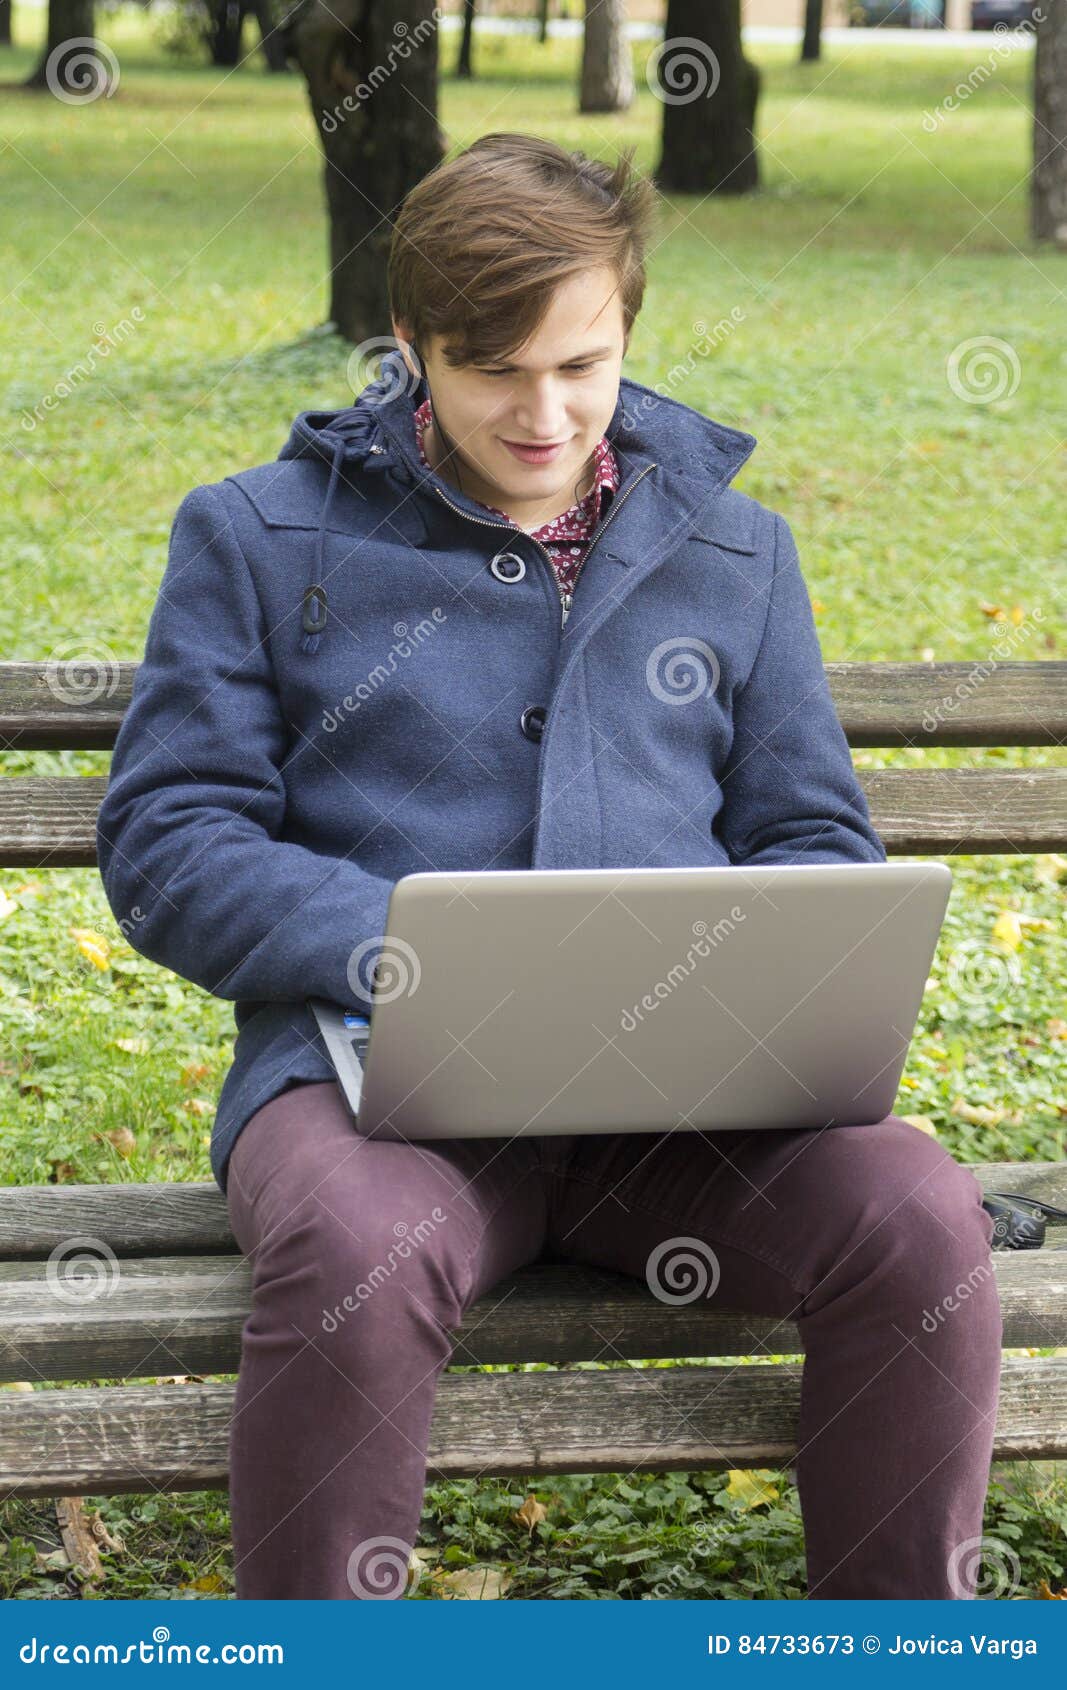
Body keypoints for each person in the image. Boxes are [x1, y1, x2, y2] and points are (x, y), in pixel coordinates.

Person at [95, 132, 1001, 1601]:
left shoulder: (736, 552)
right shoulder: (257, 537)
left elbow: (812, 835)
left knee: (916, 1218)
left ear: (628, 330)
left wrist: (754, 967)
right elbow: (170, 839)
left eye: (583, 364)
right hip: (379, 1098)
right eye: (492, 369)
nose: (544, 412)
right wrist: (407, 949)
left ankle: (898, 1651)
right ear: (410, 346)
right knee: (354, 1255)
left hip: (688, 1112)